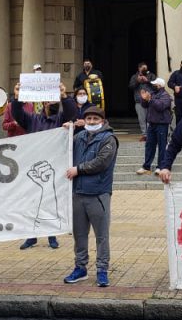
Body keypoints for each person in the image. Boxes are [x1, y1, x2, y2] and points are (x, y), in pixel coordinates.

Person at [11, 82, 78, 250]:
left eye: (55, 101)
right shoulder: (32, 119)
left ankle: (51, 235)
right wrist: (18, 98)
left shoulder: (62, 119)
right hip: (33, 167)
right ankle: (31, 236)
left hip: (54, 167)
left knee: (51, 202)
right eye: (50, 101)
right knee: (31, 202)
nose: (52, 103)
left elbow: (72, 114)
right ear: (44, 103)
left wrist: (64, 96)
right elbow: (18, 113)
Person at [63, 107, 119, 288]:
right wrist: (65, 132)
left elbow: (102, 162)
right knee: (80, 235)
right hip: (78, 193)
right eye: (89, 119)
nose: (92, 122)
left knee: (101, 236)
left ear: (102, 121)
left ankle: (102, 270)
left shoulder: (109, 139)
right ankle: (80, 268)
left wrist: (78, 169)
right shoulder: (79, 138)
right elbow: (64, 150)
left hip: (98, 194)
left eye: (96, 119)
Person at [137, 78, 172, 176]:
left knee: (162, 145)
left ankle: (160, 166)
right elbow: (145, 105)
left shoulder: (165, 95)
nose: (153, 86)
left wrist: (150, 99)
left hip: (162, 124)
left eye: (155, 84)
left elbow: (160, 106)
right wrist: (143, 99)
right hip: (152, 124)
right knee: (149, 146)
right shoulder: (152, 94)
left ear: (160, 86)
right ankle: (146, 166)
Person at [128, 62, 154, 136]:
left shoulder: (151, 75)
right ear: (139, 68)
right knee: (142, 119)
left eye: (146, 68)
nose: (145, 70)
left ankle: (150, 134)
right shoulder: (134, 76)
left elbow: (156, 85)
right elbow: (131, 87)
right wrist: (137, 81)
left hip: (150, 101)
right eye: (143, 68)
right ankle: (145, 134)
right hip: (139, 101)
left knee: (150, 118)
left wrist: (147, 81)